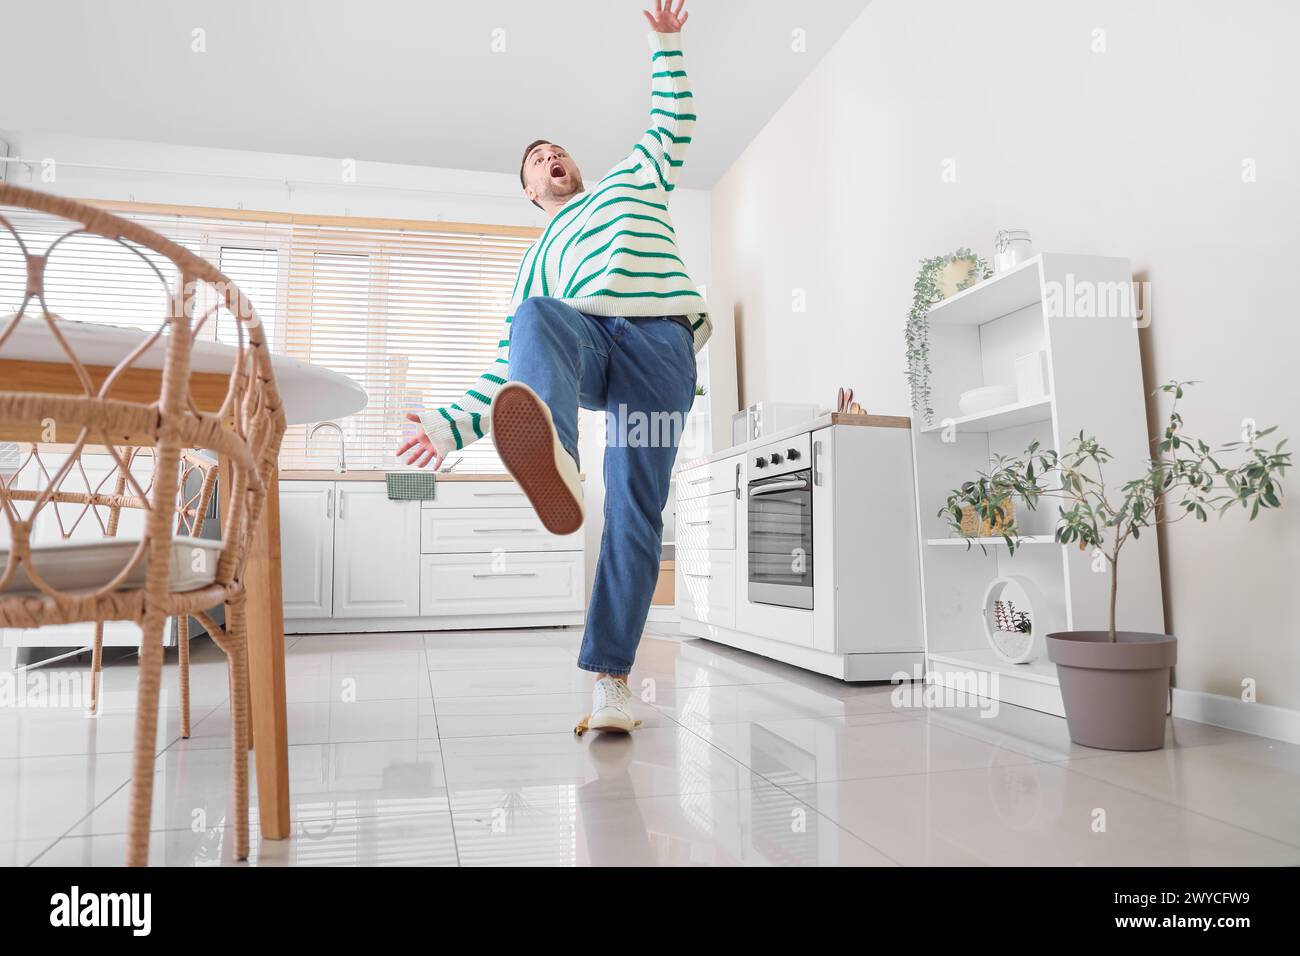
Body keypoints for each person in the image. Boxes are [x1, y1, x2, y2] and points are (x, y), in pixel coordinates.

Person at [397, 0, 710, 732]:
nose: (549, 159)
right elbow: (510, 369)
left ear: (574, 168)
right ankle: (559, 458)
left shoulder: (633, 181)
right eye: (535, 161)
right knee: (537, 317)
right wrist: (446, 427)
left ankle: (611, 681)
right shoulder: (535, 260)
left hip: (660, 348)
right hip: (588, 345)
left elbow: (674, 125)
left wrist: (665, 45)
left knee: (635, 512)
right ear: (531, 192)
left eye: (555, 150)